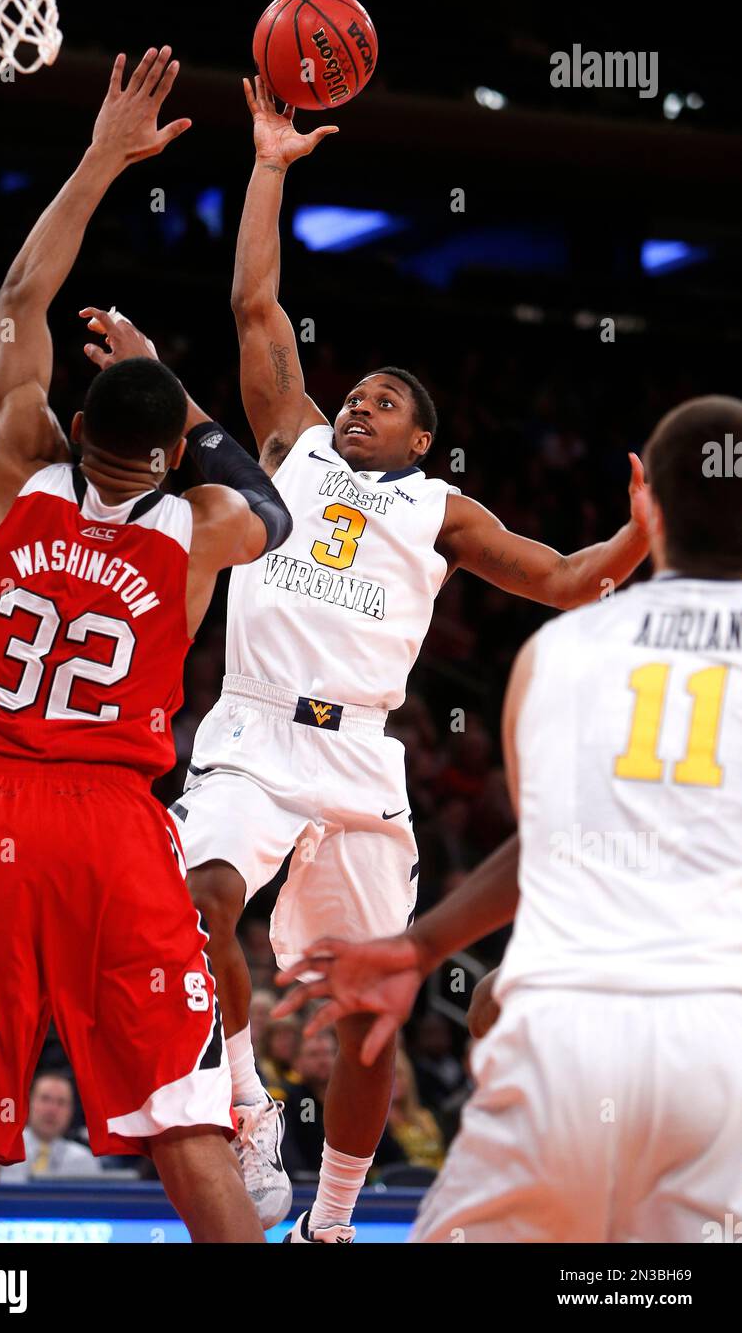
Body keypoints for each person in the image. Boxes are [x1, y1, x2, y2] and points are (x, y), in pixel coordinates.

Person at [169, 75, 652, 1242]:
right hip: (249, 727)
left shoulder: (441, 509)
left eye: (384, 402)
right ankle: (242, 1110)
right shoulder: (287, 445)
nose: (360, 406)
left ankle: (330, 1225)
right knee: (201, 899)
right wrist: (270, 167)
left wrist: (642, 533)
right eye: (358, 392)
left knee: (367, 1014)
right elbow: (252, 311)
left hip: (362, 759)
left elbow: (558, 578)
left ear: (422, 438)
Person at [0, 47, 294, 1245]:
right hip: (114, 827)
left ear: (70, 422)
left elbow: (19, 302)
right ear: (167, 452)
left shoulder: (14, 471)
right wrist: (176, 394)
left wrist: (103, 155)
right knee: (184, 1128)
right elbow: (266, 504)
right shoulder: (198, 530)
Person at [277, 395, 742, 1243]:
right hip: (724, 1045)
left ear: (650, 502)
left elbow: (555, 842)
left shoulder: (563, 654)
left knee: (494, 1006)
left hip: (574, 1037)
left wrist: (422, 947)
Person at [0, 1073, 105, 1184]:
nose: (51, 1110)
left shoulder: (84, 1161)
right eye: (45, 1099)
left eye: (61, 1102)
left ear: (71, 1111)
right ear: (28, 1103)